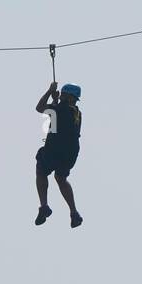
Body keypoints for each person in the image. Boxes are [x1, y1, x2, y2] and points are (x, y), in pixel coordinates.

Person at [34, 81, 84, 228]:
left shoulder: (60, 108)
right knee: (61, 178)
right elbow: (57, 120)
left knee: (41, 170)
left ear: (69, 97)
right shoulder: (77, 112)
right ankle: (74, 213)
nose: (61, 96)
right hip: (71, 152)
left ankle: (44, 206)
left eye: (63, 94)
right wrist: (56, 101)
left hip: (55, 148)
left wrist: (50, 91)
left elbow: (40, 108)